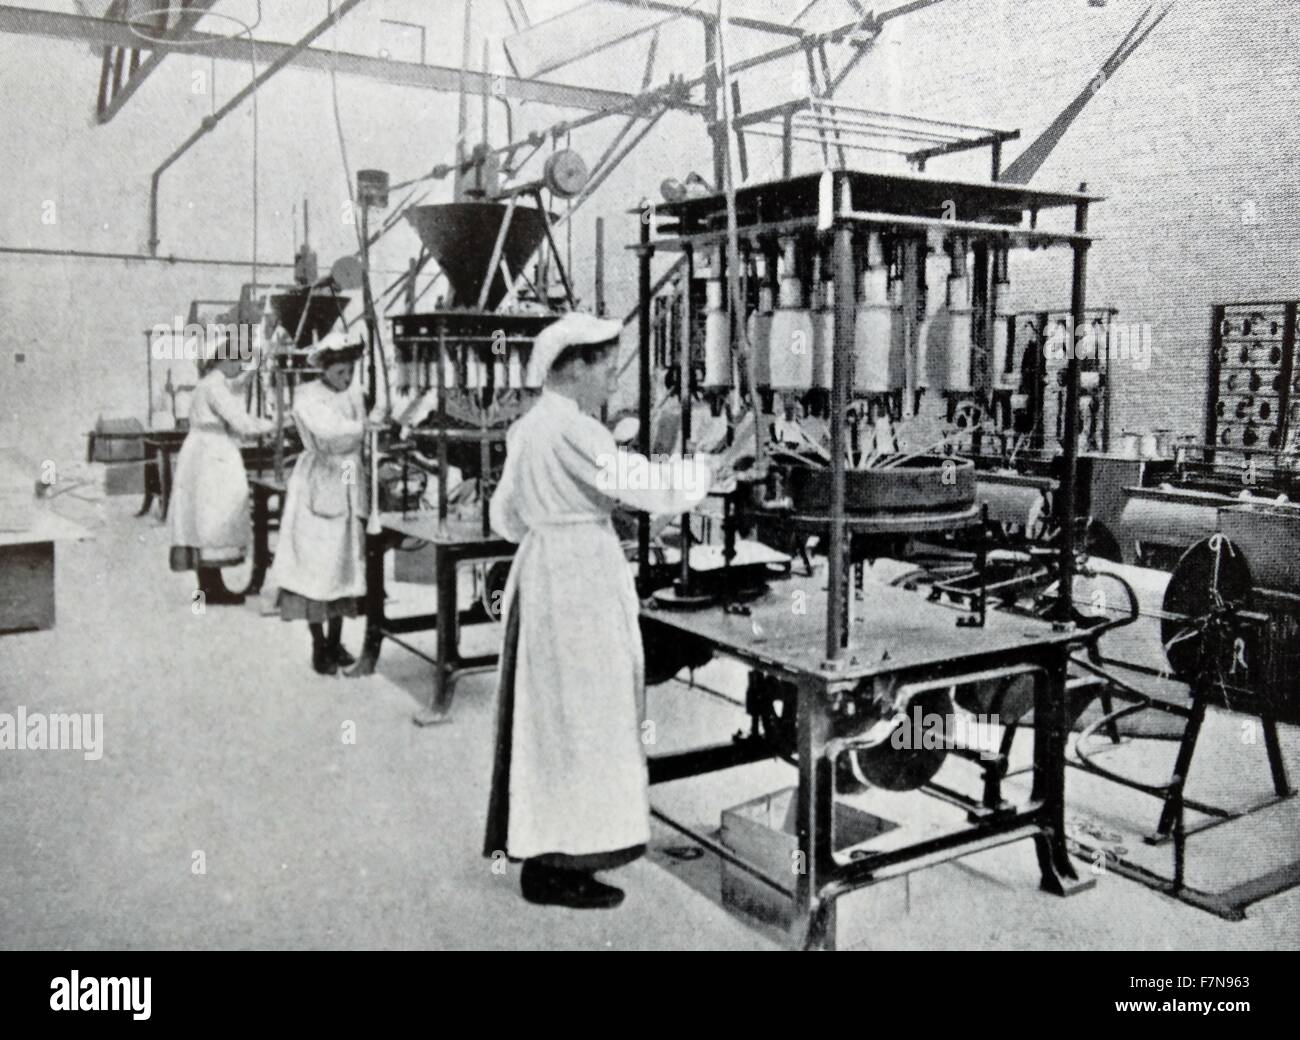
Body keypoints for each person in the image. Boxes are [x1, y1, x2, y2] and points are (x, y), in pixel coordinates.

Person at [483, 312, 725, 910]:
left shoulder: (530, 428)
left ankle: (549, 853)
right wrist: (709, 471)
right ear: (575, 367)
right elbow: (640, 487)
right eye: (606, 368)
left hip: (542, 574)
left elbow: (504, 519)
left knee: (550, 722)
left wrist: (554, 519)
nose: (612, 381)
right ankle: (561, 867)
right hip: (578, 585)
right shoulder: (575, 431)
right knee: (585, 721)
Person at [270, 332, 383, 675]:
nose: (346, 379)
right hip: (319, 478)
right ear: (324, 370)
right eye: (339, 373)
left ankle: (336, 641)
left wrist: (372, 418)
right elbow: (329, 430)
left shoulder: (352, 394)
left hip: (348, 474)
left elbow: (359, 431)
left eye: (349, 372)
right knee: (317, 565)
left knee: (344, 563)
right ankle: (319, 645)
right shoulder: (307, 397)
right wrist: (365, 426)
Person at [169, 329, 273, 605]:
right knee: (214, 516)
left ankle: (210, 586)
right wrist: (278, 423)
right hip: (211, 455)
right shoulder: (215, 386)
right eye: (239, 362)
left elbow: (238, 384)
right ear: (228, 359)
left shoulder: (213, 382)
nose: (240, 368)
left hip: (204, 451)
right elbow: (242, 423)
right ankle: (212, 589)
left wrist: (258, 362)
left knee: (203, 519)